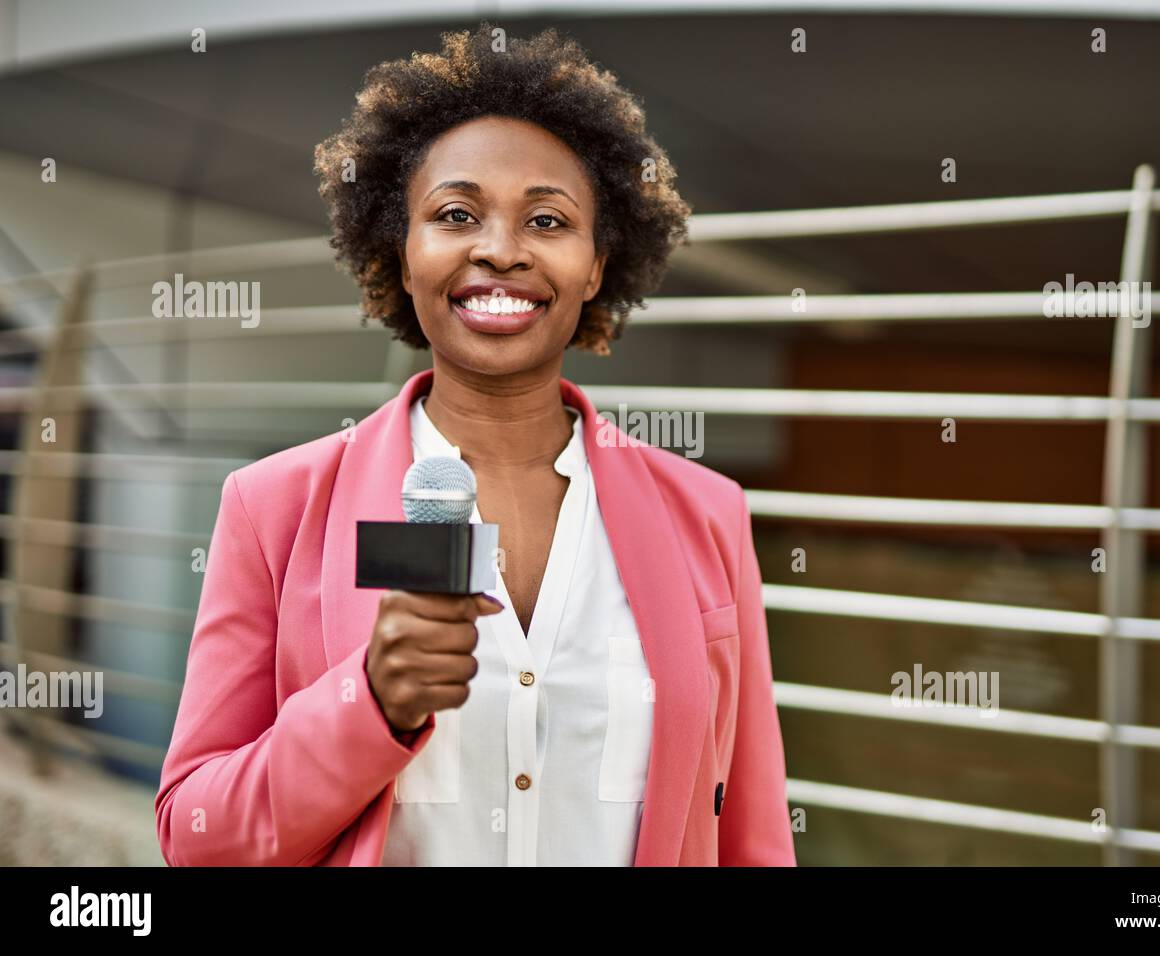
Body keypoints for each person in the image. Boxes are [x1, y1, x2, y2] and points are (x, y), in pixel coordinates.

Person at [154, 22, 795, 867]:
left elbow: (752, 831)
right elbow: (195, 834)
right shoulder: (274, 508)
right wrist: (369, 703)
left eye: (548, 220)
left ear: (597, 265)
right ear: (403, 248)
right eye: (455, 214)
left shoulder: (708, 513)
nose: (500, 250)